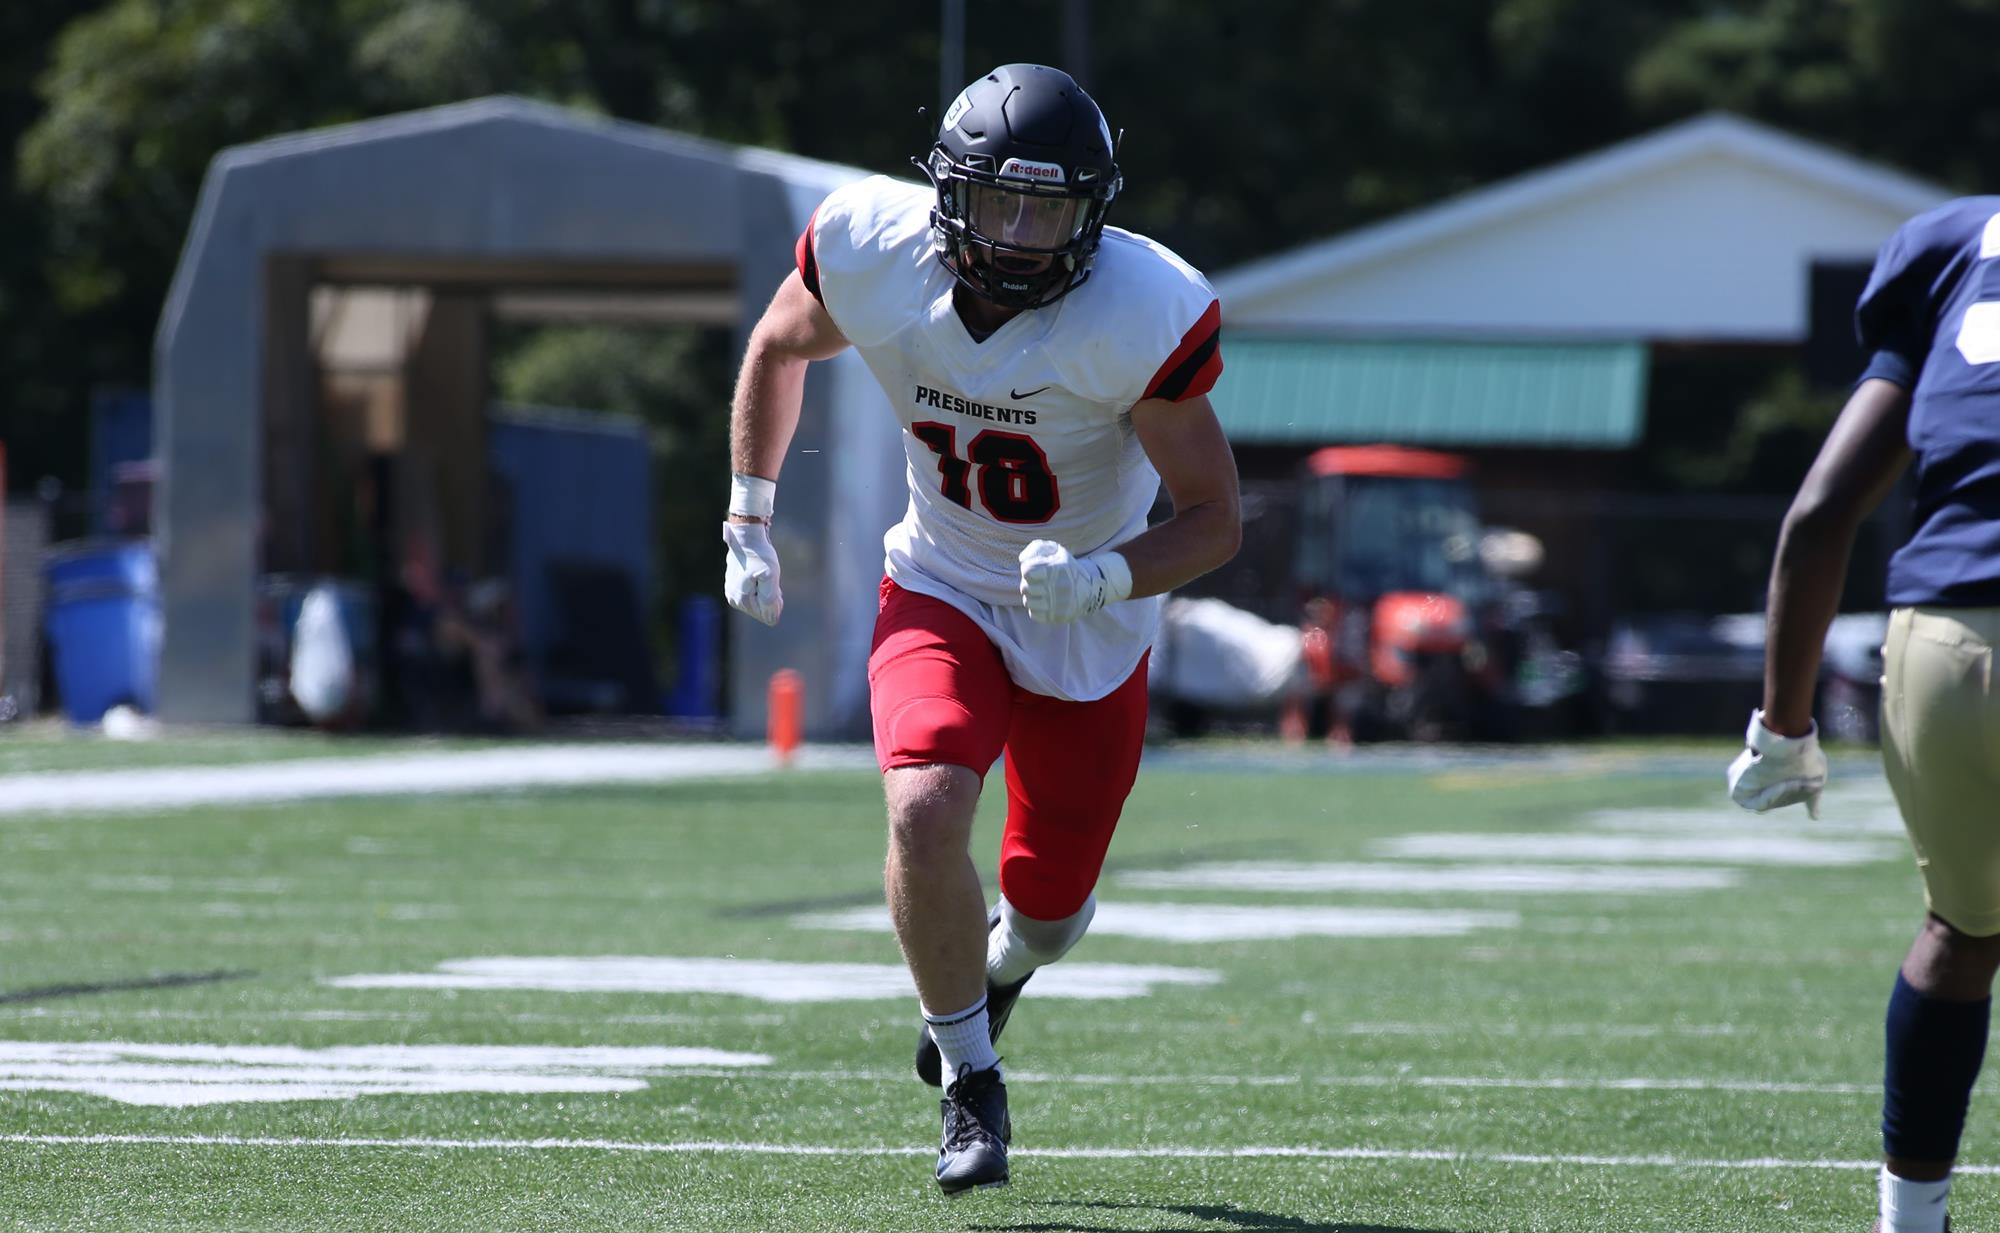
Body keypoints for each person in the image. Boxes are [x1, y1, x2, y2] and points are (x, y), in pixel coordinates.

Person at [720, 63, 1240, 1194]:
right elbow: (775, 343)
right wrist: (746, 516)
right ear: (946, 193)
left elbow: (1214, 521)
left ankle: (1003, 965)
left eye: (1046, 209)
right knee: (924, 803)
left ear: (1089, 214)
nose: (1016, 234)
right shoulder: (872, 245)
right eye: (999, 201)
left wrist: (1103, 577)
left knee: (1049, 913)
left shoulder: (1136, 311)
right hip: (942, 582)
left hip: (1085, 623)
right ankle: (969, 1080)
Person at [1729, 196, 2000, 1233]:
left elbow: (1815, 515)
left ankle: (1910, 1219)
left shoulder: (1948, 245)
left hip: (1940, 640)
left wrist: (1783, 728)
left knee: (1959, 930)